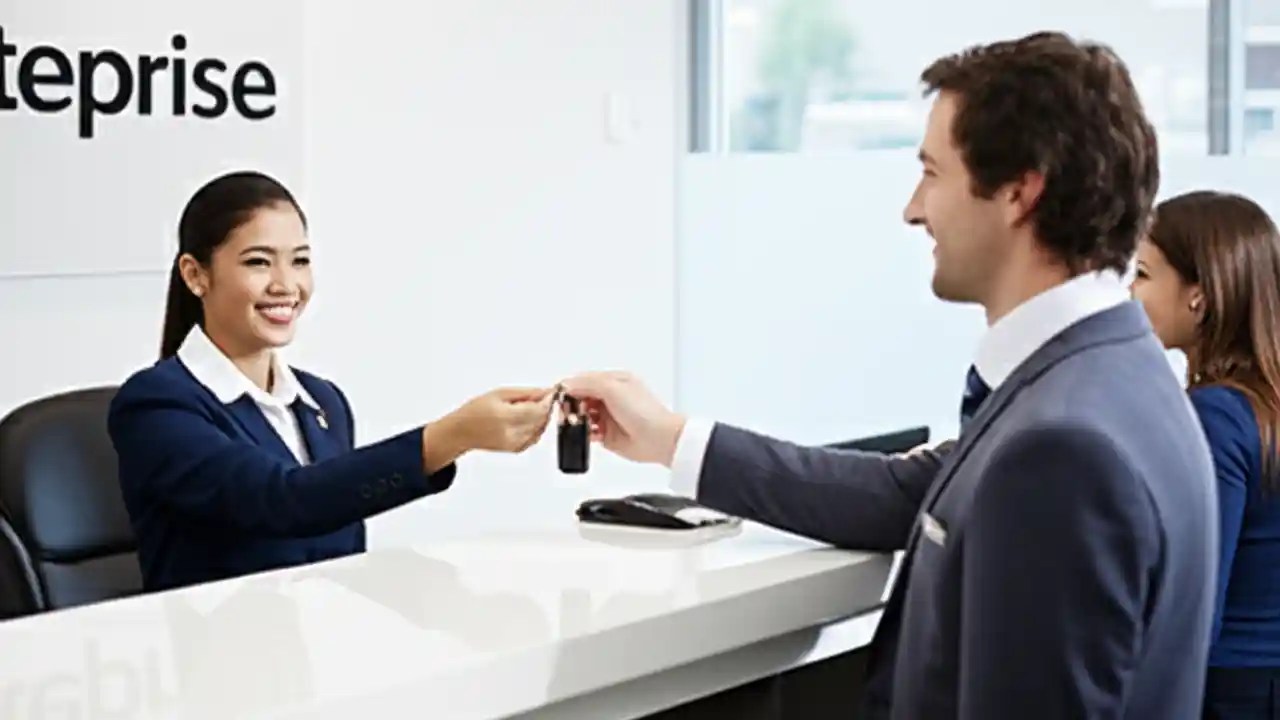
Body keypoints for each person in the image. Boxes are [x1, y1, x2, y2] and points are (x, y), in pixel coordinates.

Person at [560, 32, 1217, 719]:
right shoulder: (1117, 375)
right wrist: (669, 438)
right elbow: (903, 492)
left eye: (932, 172)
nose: (912, 208)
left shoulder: (1063, 448)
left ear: (1020, 192)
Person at [108, 170, 554, 592]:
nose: (286, 284)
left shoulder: (322, 401)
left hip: (323, 655)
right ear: (195, 274)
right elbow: (283, 503)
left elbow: (338, 551)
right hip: (221, 661)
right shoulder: (155, 404)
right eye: (259, 262)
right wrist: (452, 436)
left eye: (300, 261)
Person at [1130, 190, 1280, 719]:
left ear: (1199, 295)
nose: (1130, 292)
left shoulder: (1216, 416)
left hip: (1231, 691)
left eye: (1144, 274)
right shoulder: (1264, 405)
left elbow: (1195, 609)